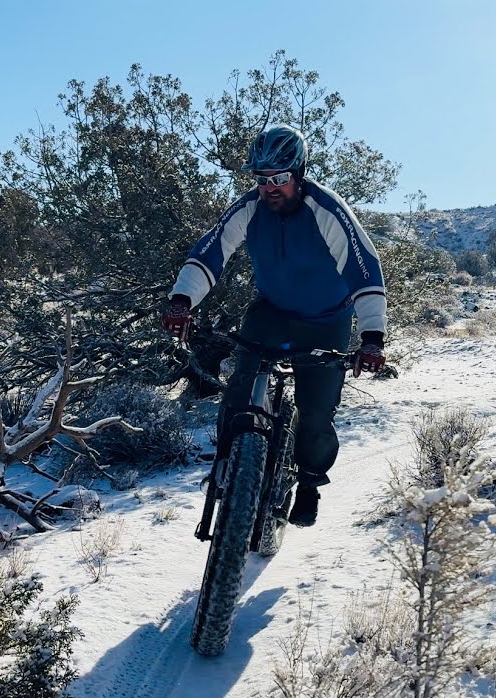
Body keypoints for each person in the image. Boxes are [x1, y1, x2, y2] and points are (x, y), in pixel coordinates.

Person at [160, 123, 387, 527]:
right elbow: (213, 251)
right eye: (263, 179)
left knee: (316, 413)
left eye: (280, 178)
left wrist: (371, 337)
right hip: (271, 312)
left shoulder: (328, 211)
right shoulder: (250, 208)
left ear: (299, 174)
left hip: (326, 321)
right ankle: (231, 464)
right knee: (239, 391)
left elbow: (364, 271)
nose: (270, 188)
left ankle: (309, 485)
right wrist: (182, 301)